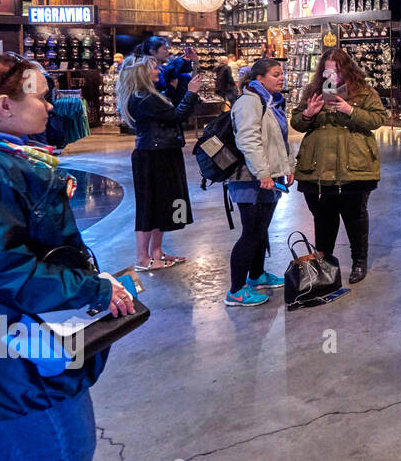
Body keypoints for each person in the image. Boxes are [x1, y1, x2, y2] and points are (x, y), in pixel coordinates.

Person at [0, 53, 135, 461]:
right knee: (60, 457)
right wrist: (95, 291)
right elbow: (3, 267)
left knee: (16, 456)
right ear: (5, 106)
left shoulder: (7, 159)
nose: (52, 107)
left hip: (8, 341)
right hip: (23, 341)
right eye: (42, 98)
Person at [290, 48, 384, 284]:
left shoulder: (364, 92)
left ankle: (359, 262)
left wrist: (350, 110)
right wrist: (309, 114)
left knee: (355, 217)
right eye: (327, 70)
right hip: (317, 167)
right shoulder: (312, 91)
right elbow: (297, 122)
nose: (331, 75)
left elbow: (377, 120)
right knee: (323, 219)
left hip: (354, 165)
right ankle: (325, 265)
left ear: (346, 69)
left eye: (336, 70)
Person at [117, 54, 204, 270]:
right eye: (155, 68)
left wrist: (187, 65)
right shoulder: (144, 97)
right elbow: (176, 116)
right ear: (143, 73)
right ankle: (142, 258)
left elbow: (171, 102)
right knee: (149, 206)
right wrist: (191, 93)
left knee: (163, 204)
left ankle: (156, 253)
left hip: (162, 151)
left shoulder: (149, 94)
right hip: (153, 155)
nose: (159, 71)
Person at [225, 59, 295, 307]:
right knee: (251, 233)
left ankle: (256, 276)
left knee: (261, 230)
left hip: (267, 177)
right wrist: (263, 172)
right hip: (249, 179)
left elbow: (279, 140)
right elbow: (248, 140)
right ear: (260, 78)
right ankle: (235, 290)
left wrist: (287, 167)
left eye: (282, 73)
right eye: (276, 74)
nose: (282, 77)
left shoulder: (270, 102)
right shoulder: (249, 102)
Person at [137, 36, 195, 106]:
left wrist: (194, 61)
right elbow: (164, 87)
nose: (168, 52)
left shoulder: (165, 67)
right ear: (152, 51)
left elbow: (190, 79)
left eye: (168, 49)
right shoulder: (146, 70)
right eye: (165, 49)